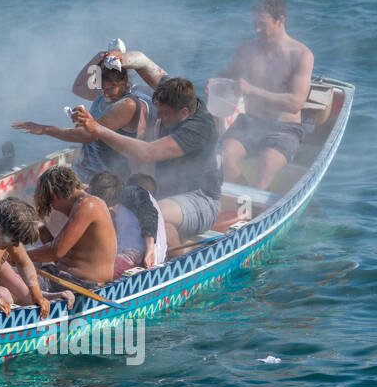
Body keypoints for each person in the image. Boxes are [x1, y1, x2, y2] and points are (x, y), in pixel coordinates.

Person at [70, 53, 224, 246]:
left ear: (184, 113)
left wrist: (98, 130)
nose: (158, 116)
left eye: (164, 113)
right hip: (166, 190)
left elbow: (147, 152)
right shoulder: (175, 93)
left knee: (149, 214)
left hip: (200, 198)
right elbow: (143, 62)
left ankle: (177, 261)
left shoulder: (198, 128)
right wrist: (120, 59)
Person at [214, 0, 315, 190]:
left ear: (280, 20)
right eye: (254, 24)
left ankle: (255, 204)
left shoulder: (301, 54)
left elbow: (296, 103)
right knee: (224, 156)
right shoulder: (247, 49)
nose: (257, 29)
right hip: (250, 122)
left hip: (284, 129)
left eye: (262, 24)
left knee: (266, 163)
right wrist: (216, 83)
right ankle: (243, 201)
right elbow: (229, 76)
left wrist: (253, 90)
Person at [12, 49, 152, 182]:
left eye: (109, 89)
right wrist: (99, 57)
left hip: (109, 179)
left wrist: (44, 129)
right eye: (101, 88)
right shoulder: (104, 93)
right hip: (86, 171)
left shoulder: (128, 104)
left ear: (124, 81)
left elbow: (86, 135)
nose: (104, 94)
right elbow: (78, 87)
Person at [24, 166, 118, 284]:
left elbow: (55, 251)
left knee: (19, 285)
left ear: (55, 196)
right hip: (67, 277)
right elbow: (59, 250)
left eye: (51, 204)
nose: (53, 208)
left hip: (85, 284)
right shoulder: (83, 204)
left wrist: (21, 257)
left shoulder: (88, 205)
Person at [87, 171, 167, 276]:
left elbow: (149, 213)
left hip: (139, 258)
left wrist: (149, 249)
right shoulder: (123, 200)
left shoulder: (133, 192)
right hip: (147, 259)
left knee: (95, 273)